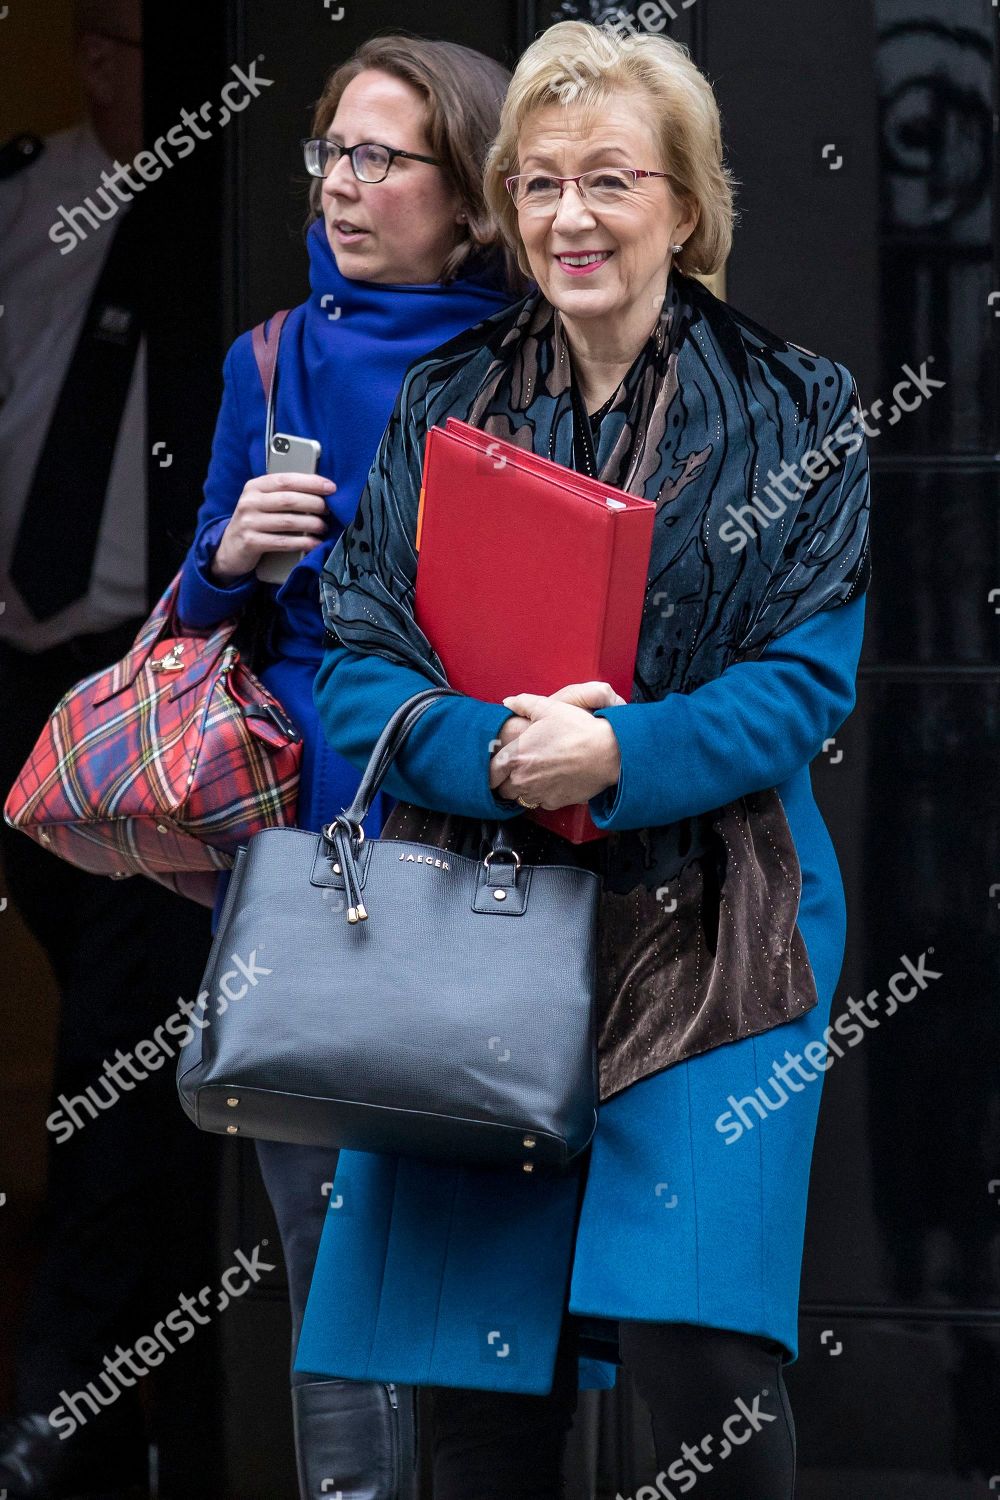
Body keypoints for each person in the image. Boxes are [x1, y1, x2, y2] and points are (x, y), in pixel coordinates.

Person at [296, 19, 871, 1499]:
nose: (570, 218)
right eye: (538, 183)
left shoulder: (802, 408)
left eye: (609, 180)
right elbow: (357, 661)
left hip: (716, 936)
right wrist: (492, 753)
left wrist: (613, 751)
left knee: (705, 1371)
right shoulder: (446, 404)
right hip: (473, 936)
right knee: (480, 1386)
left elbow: (801, 683)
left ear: (685, 203)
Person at [172, 33, 526, 1497]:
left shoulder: (536, 356)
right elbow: (197, 620)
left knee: (481, 1239)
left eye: (384, 157)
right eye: (331, 153)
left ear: (469, 196)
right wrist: (228, 555)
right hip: (308, 855)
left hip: (488, 838)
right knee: (324, 1237)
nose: (343, 185)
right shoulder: (267, 357)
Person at [0, 4, 225, 1495]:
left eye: (147, 36)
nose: (115, 63)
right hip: (13, 671)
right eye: (99, 34)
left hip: (161, 688)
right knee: (123, 1040)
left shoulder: (251, 214)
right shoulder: (21, 192)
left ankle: (77, 1416)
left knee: (125, 1050)